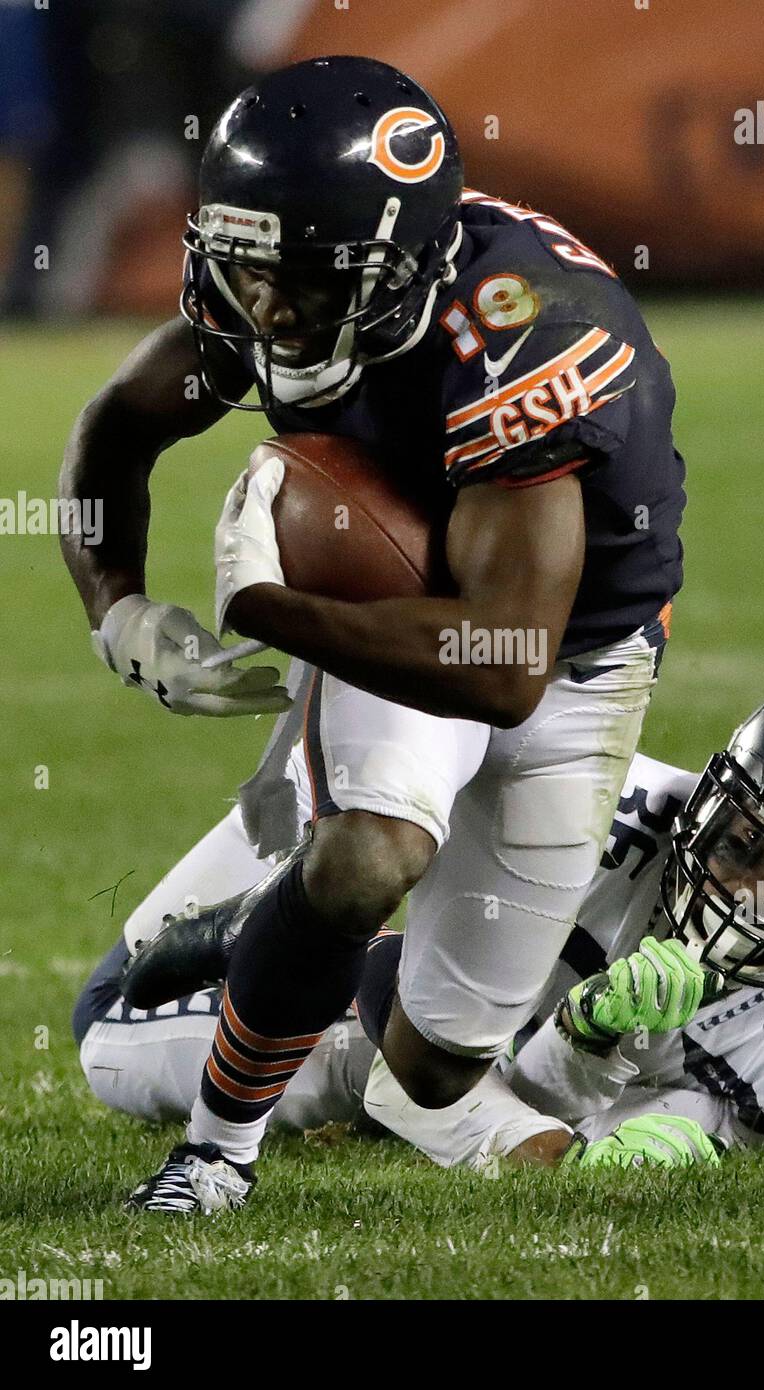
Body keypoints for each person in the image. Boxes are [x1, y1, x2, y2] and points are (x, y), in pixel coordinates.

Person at [59, 56, 686, 1210]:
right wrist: (122, 611)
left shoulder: (520, 333)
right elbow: (116, 429)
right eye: (247, 269)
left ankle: (273, 929)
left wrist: (269, 606)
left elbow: (505, 667)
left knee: (434, 1066)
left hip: (565, 661)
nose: (269, 307)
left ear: (396, 266)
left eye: (298, 278)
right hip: (399, 626)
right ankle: (213, 1155)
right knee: (368, 856)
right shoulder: (266, 278)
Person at [74, 683, 764, 1197]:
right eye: (740, 842)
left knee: (617, 1129)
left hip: (481, 1025)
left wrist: (589, 1052)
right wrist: (544, 1144)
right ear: (709, 801)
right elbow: (396, 1014)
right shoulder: (591, 817)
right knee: (108, 1038)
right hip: (352, 871)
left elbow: (635, 1128)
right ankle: (276, 915)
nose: (742, 890)